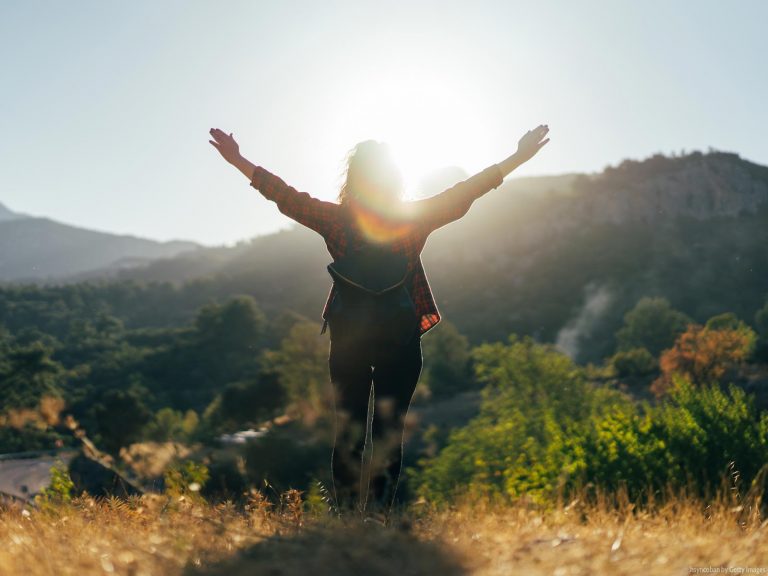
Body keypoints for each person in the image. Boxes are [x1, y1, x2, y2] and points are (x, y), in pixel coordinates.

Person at [209, 124, 550, 520]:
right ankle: (378, 519)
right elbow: (466, 191)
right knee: (389, 436)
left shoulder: (335, 220)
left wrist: (237, 160)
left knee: (348, 433)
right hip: (401, 340)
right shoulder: (412, 218)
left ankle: (347, 518)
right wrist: (518, 157)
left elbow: (284, 196)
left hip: (349, 342)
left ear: (353, 179)